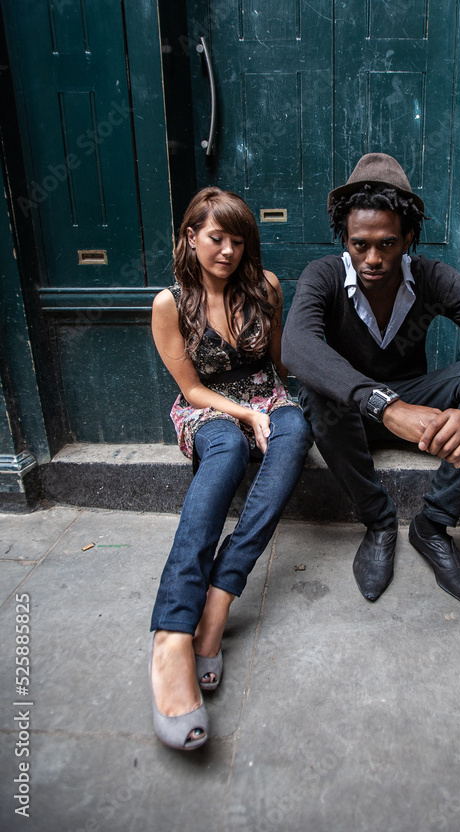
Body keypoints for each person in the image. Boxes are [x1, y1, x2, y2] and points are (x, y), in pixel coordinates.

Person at [282, 153, 460, 608]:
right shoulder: (323, 275)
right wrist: (384, 405)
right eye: (360, 244)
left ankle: (432, 524)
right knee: (316, 390)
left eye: (387, 244)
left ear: (409, 239)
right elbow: (297, 346)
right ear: (345, 238)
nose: (373, 258)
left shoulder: (432, 276)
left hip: (416, 406)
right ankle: (379, 522)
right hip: (351, 415)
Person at [149, 187, 312, 751]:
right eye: (216, 238)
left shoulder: (265, 288)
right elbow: (191, 387)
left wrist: (305, 390)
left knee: (295, 434)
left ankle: (219, 597)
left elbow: (278, 363)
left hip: (267, 395)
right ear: (191, 237)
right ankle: (172, 635)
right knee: (227, 452)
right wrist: (244, 414)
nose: (227, 251)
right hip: (208, 407)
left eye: (238, 241)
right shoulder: (169, 303)